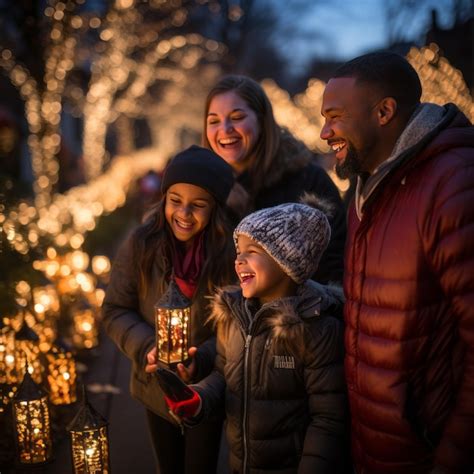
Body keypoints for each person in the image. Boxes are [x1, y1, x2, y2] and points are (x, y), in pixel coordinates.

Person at [319, 51, 474, 474]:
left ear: (385, 111)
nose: (323, 131)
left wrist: (451, 460)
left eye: (334, 116)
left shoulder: (454, 182)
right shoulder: (364, 188)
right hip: (372, 449)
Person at [165, 201, 349, 473]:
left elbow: (328, 419)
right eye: (239, 251)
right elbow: (224, 376)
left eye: (252, 251)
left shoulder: (315, 329)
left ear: (287, 262)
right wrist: (200, 398)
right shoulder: (235, 317)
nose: (238, 260)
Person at [102, 145, 236, 474]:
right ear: (164, 199)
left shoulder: (229, 253)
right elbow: (115, 309)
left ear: (215, 208)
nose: (184, 213)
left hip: (206, 387)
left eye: (198, 205)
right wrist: (147, 346)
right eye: (175, 201)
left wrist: (201, 357)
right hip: (154, 386)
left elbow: (234, 326)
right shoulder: (141, 245)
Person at [202, 75, 346, 284]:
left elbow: (333, 268)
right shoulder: (199, 189)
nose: (225, 129)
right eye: (214, 120)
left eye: (237, 117)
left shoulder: (308, 182)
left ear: (262, 119)